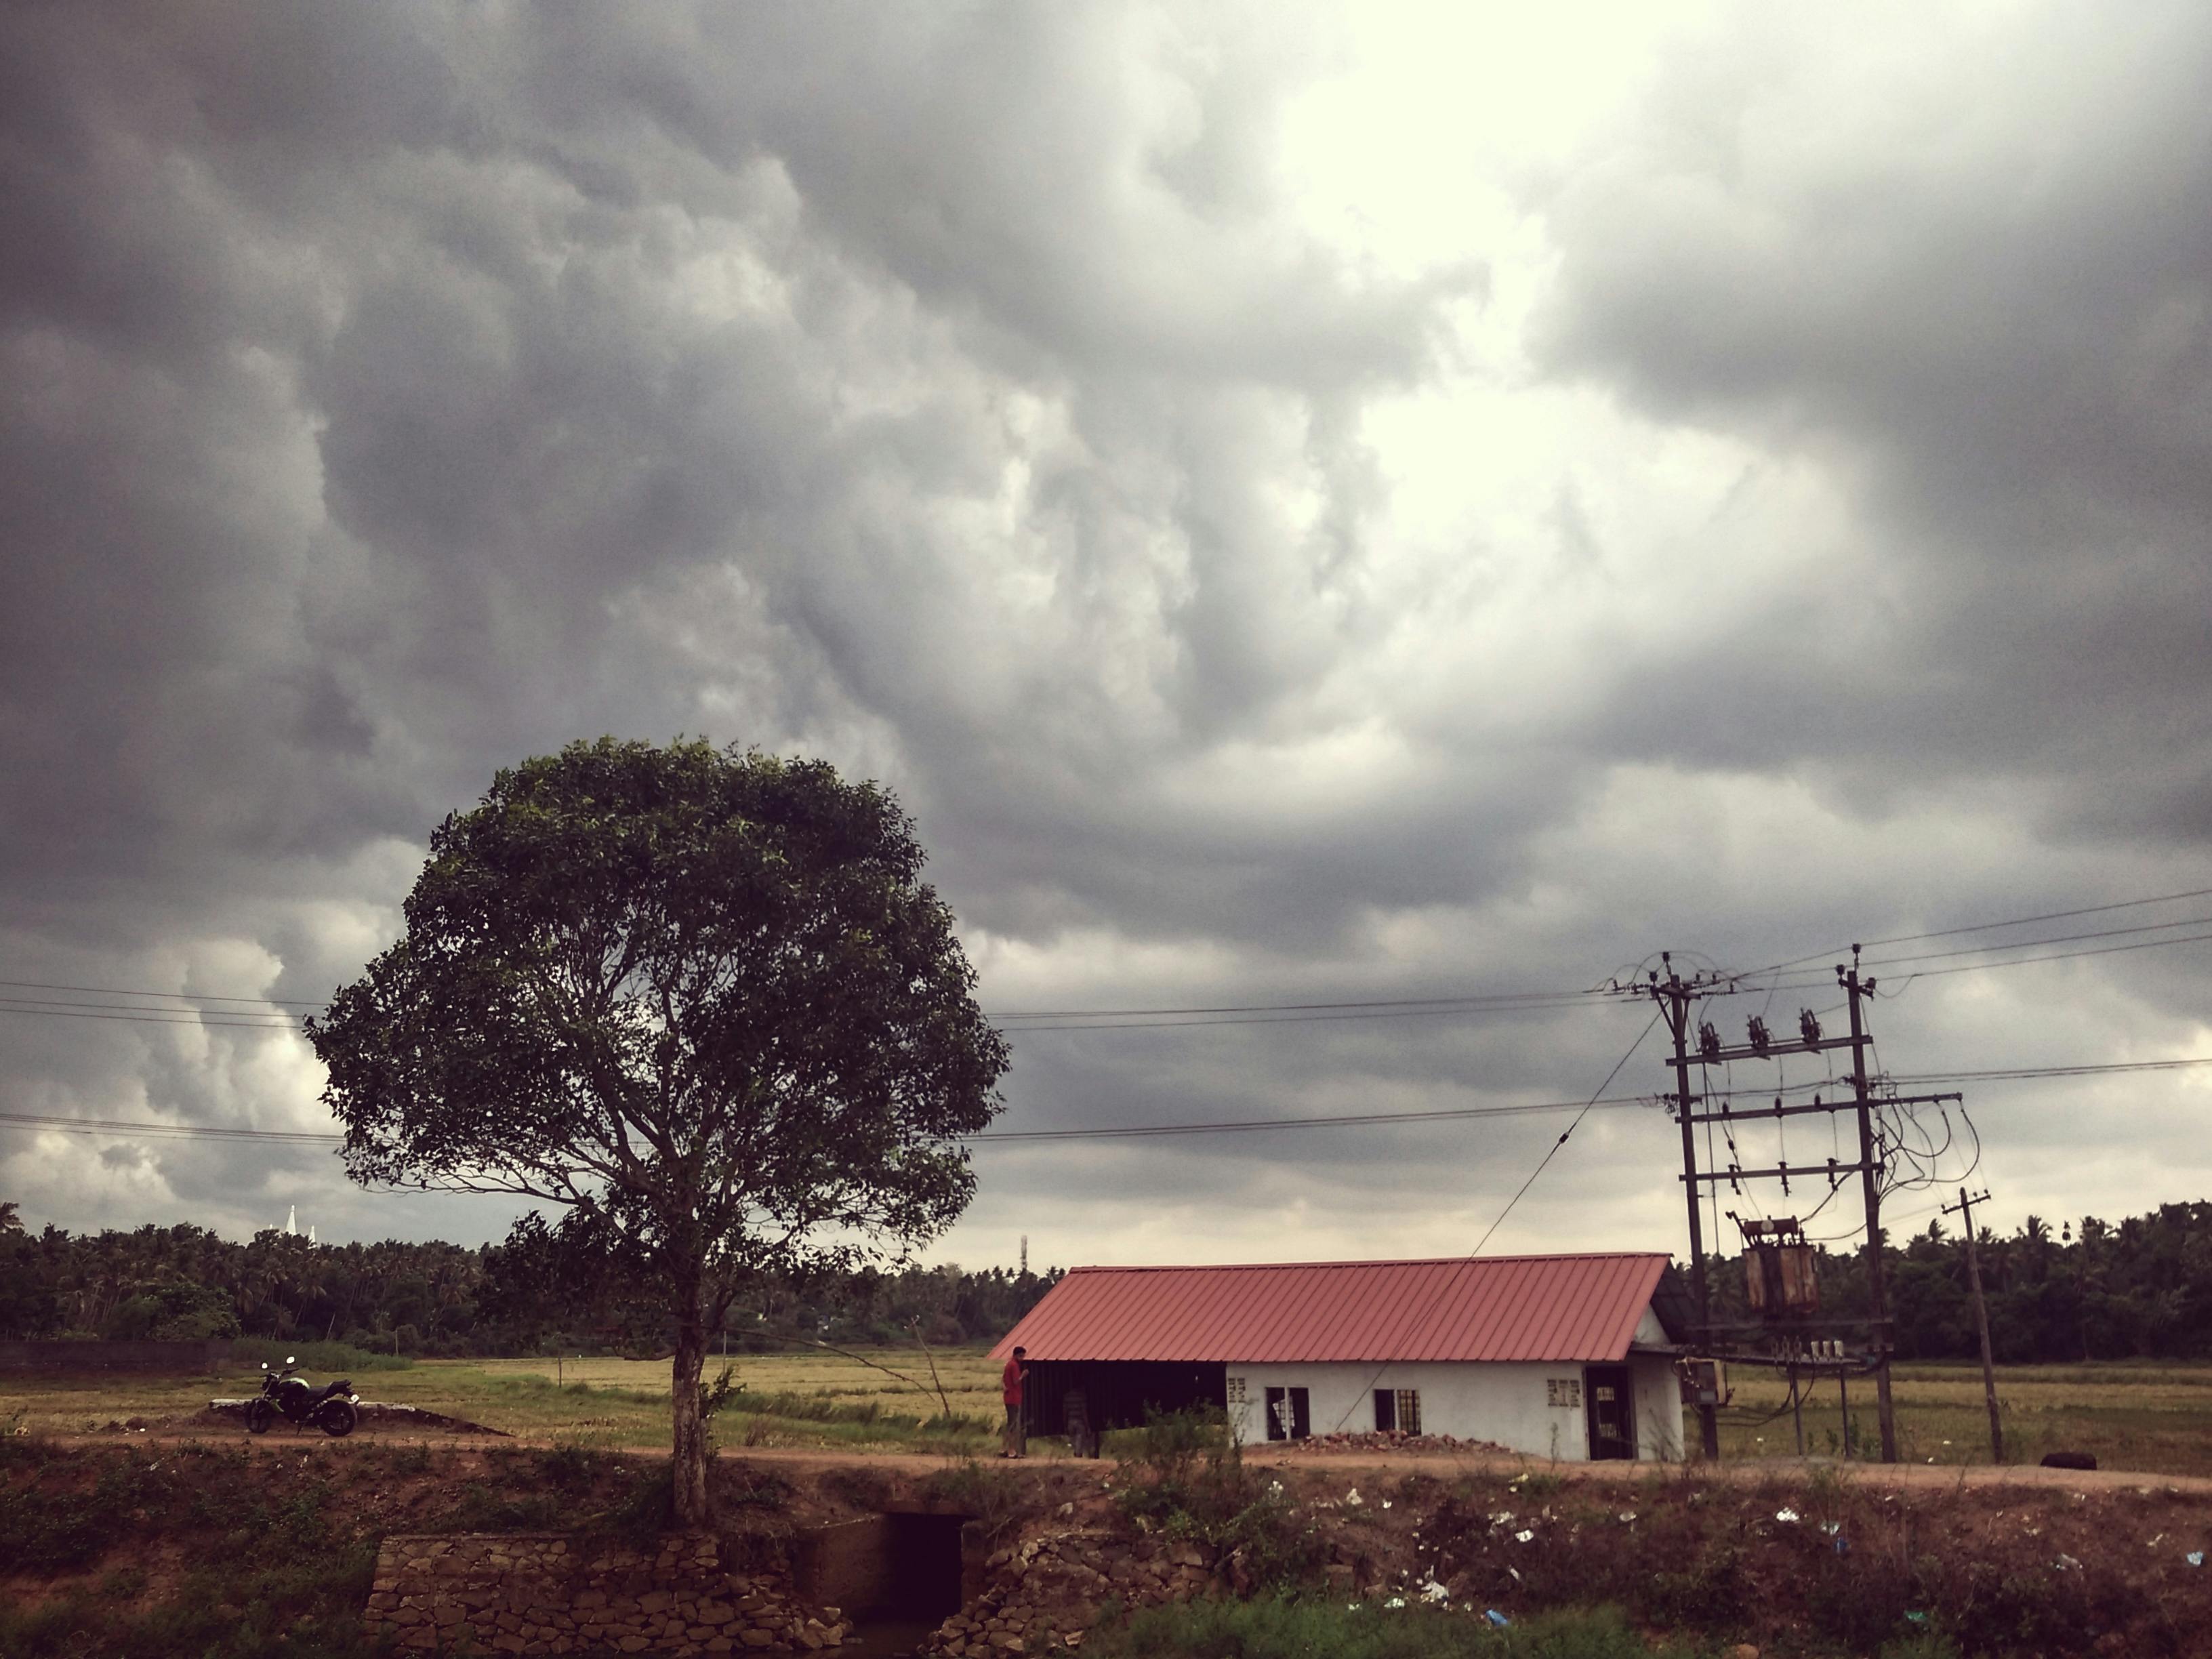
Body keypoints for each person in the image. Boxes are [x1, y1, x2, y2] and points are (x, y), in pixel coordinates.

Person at [1000, 1345, 1028, 1458]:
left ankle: (1004, 1449)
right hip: (1014, 1398)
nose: (1022, 1358)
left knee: (1010, 1424)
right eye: (1021, 1356)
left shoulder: (1008, 1364)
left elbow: (1003, 1379)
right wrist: (1023, 1375)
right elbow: (1016, 1381)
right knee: (1013, 1425)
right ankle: (1012, 1451)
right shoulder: (1014, 1365)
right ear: (1016, 1355)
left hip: (1009, 1397)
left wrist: (1005, 1387)